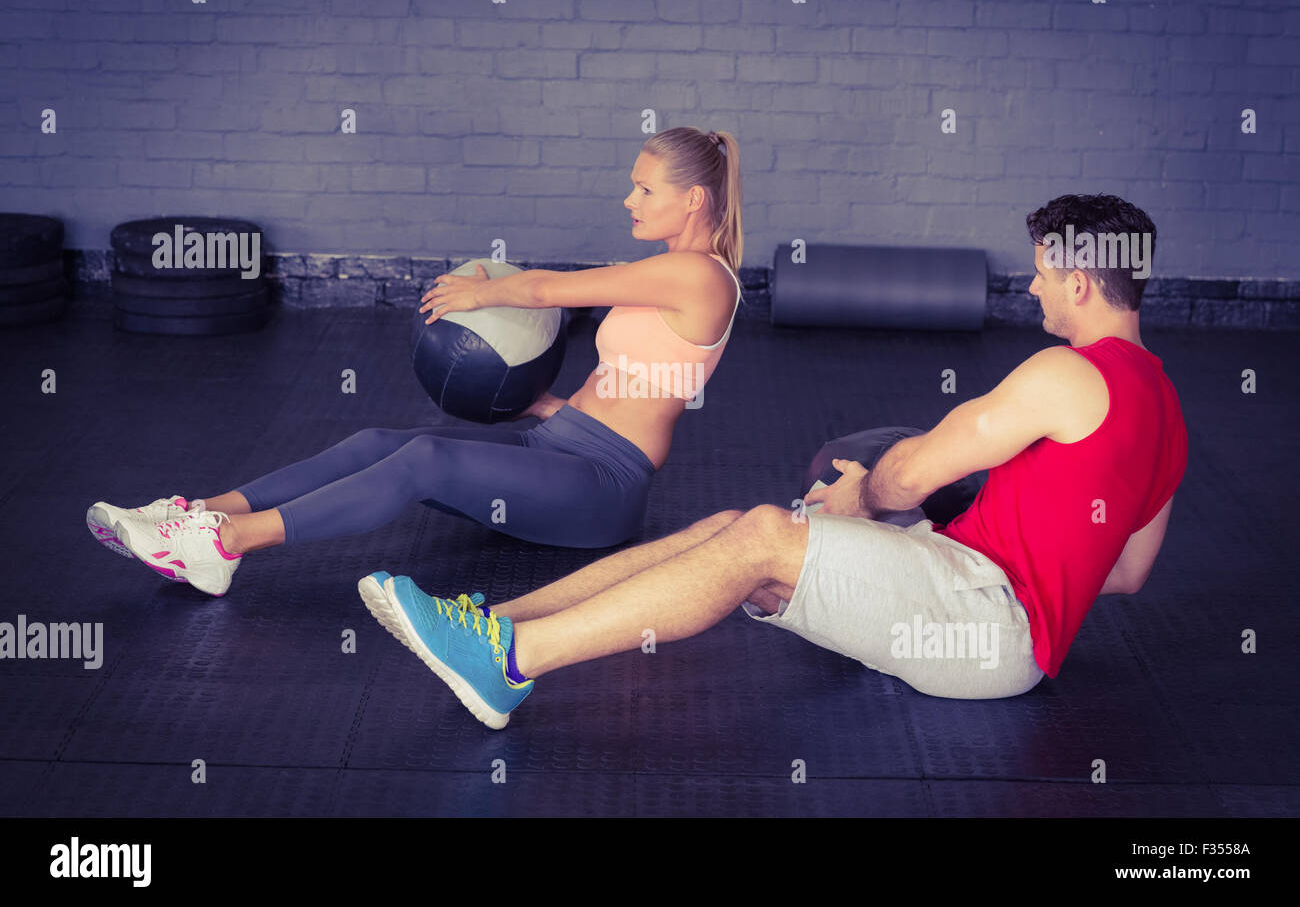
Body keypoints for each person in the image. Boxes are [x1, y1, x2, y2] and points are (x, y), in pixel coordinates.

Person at [357, 194, 1188, 730]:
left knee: (760, 538)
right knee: (732, 531)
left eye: (1045, 275)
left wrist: (872, 493)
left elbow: (912, 474)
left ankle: (509, 664)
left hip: (982, 620)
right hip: (976, 596)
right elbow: (1125, 574)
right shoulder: (1169, 413)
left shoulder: (1066, 373)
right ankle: (495, 621)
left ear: (1082, 283)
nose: (1033, 290)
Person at [87, 127, 745, 597]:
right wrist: (546, 404)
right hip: (560, 443)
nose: (629, 200)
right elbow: (643, 385)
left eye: (644, 188)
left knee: (424, 463)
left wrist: (482, 292)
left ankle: (222, 546)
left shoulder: (699, 277)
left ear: (693, 200)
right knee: (380, 441)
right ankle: (195, 511)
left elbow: (548, 290)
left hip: (603, 487)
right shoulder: (671, 273)